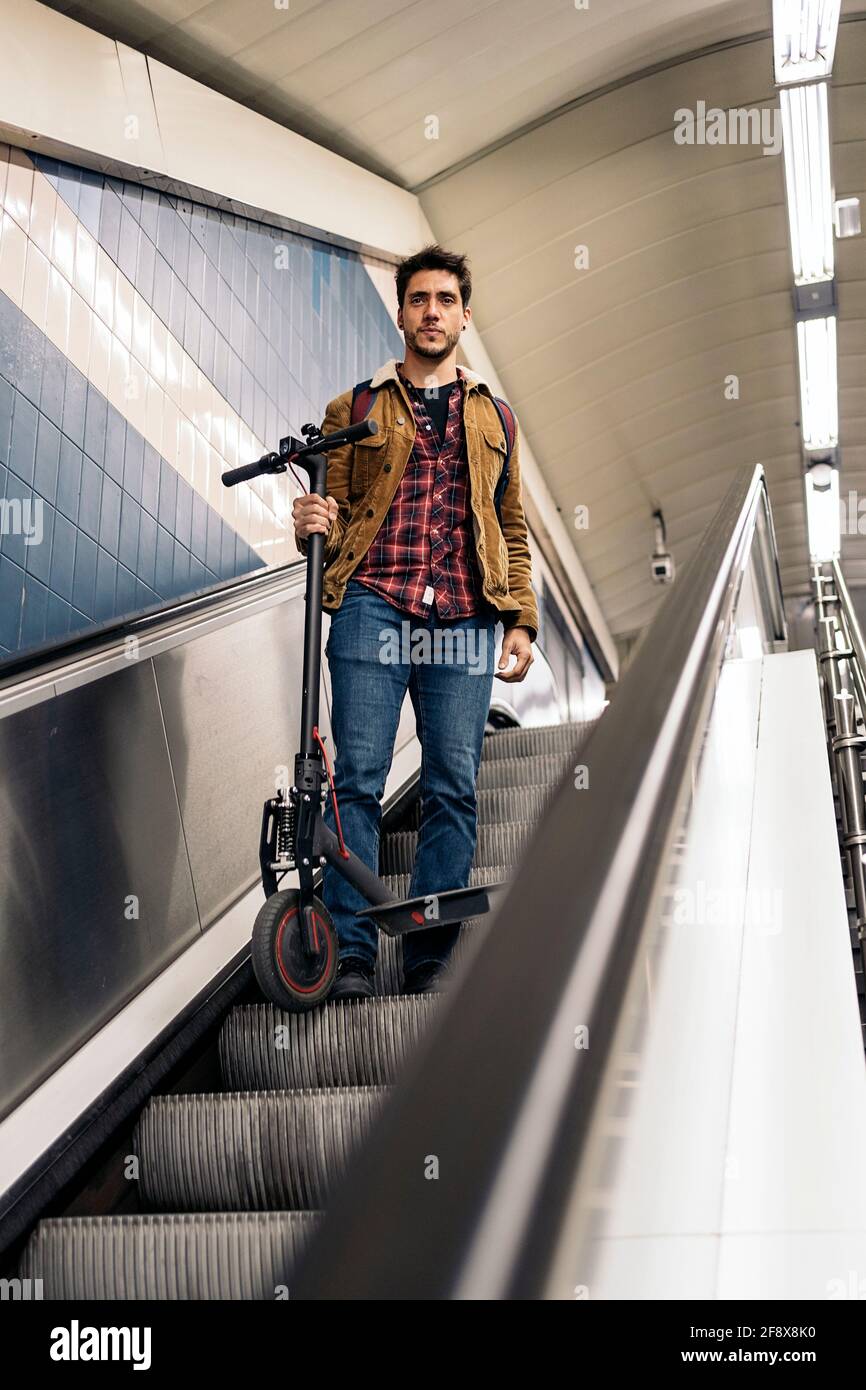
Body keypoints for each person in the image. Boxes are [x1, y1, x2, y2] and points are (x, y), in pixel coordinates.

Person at [294, 244, 538, 999]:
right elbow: (328, 518)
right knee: (358, 783)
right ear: (401, 312)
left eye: (445, 300)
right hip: (373, 603)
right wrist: (306, 519)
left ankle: (429, 957)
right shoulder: (356, 408)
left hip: (464, 616)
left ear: (466, 315)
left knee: (452, 786)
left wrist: (520, 621)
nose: (432, 311)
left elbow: (511, 523)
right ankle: (356, 957)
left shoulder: (496, 415)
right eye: (419, 299)